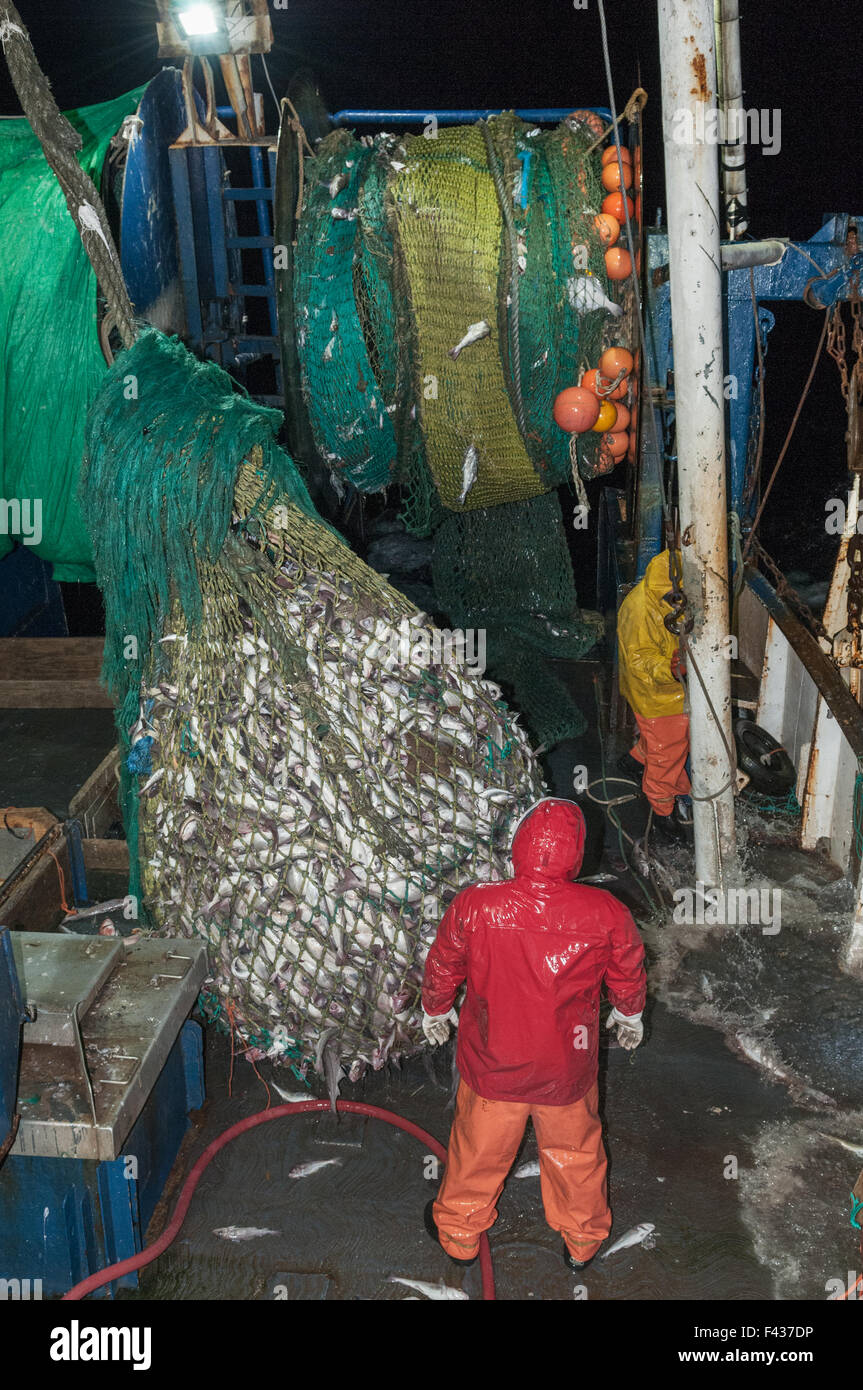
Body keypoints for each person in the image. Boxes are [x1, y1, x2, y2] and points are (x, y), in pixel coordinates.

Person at [421, 797, 646, 1270]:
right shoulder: (606, 911)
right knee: (576, 1154)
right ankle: (582, 1240)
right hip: (565, 1070)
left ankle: (461, 1234)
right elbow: (627, 968)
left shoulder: (476, 905)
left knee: (478, 1152)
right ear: (578, 853)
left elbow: (444, 963)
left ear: (518, 846)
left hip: (492, 1067)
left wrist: (435, 1009)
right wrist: (630, 1013)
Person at [616, 548, 692, 840]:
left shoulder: (663, 596)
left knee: (659, 741)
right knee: (667, 755)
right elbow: (640, 660)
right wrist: (670, 669)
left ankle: (634, 761)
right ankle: (663, 815)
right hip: (657, 697)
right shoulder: (640, 610)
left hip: (656, 692)